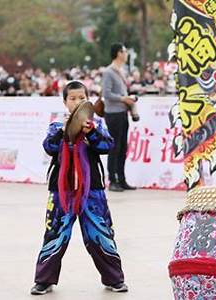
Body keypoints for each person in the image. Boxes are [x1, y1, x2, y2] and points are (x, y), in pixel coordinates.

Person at [30, 81, 127, 295]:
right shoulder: (56, 126)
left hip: (92, 188)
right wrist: (66, 131)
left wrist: (90, 133)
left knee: (100, 232)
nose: (77, 102)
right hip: (61, 190)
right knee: (55, 233)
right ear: (65, 102)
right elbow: (49, 147)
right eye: (72, 98)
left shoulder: (96, 124)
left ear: (87, 99)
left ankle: (114, 279)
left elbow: (107, 146)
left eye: (81, 98)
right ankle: (44, 281)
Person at [102, 43, 138, 192]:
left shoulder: (120, 71)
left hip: (122, 113)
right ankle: (112, 179)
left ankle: (121, 179)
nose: (126, 54)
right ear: (118, 53)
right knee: (114, 147)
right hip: (113, 113)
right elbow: (107, 94)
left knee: (123, 147)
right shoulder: (109, 72)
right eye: (124, 51)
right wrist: (124, 99)